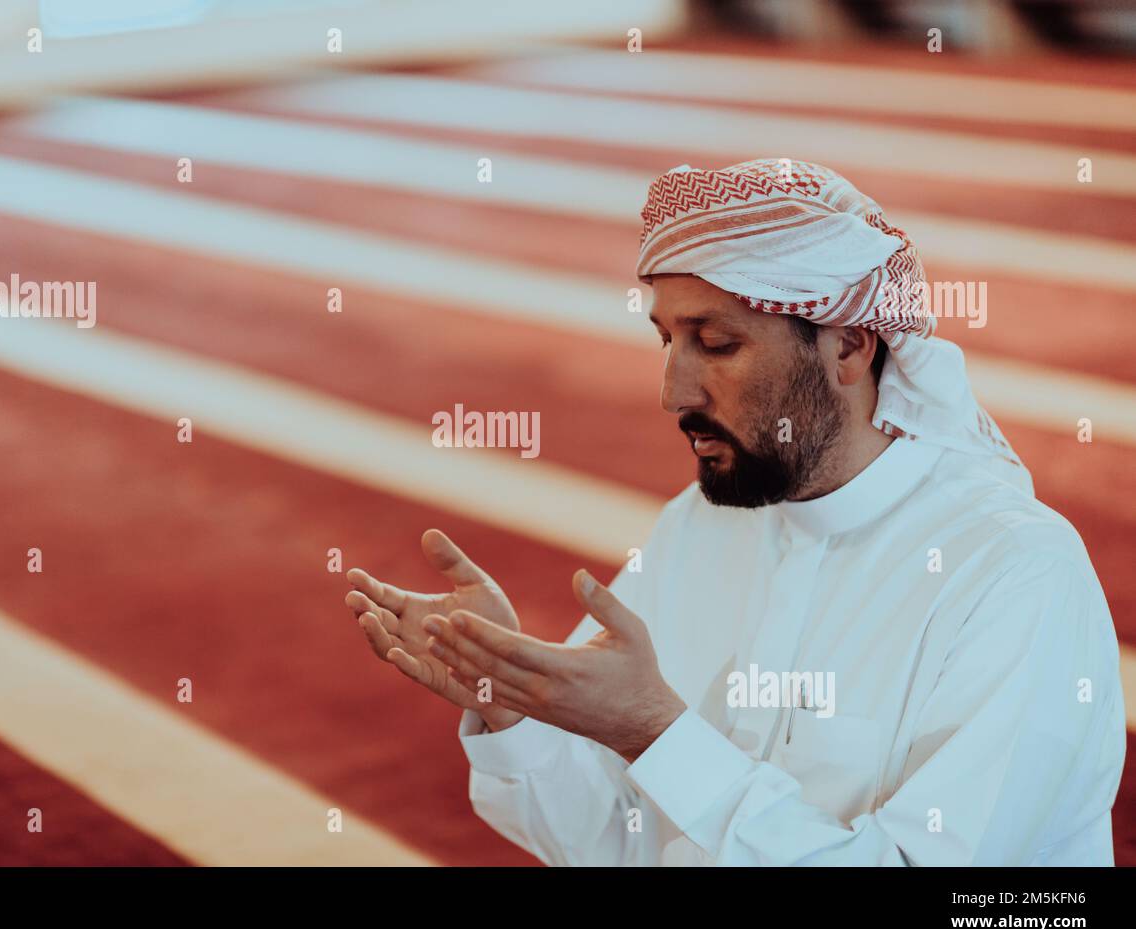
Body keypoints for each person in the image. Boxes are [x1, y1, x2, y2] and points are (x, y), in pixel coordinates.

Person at [343, 159, 1126, 866]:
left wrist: (656, 734)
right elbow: (617, 845)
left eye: (715, 344)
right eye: (666, 342)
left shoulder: (1015, 575)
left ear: (849, 347)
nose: (674, 394)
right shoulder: (701, 524)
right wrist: (511, 702)